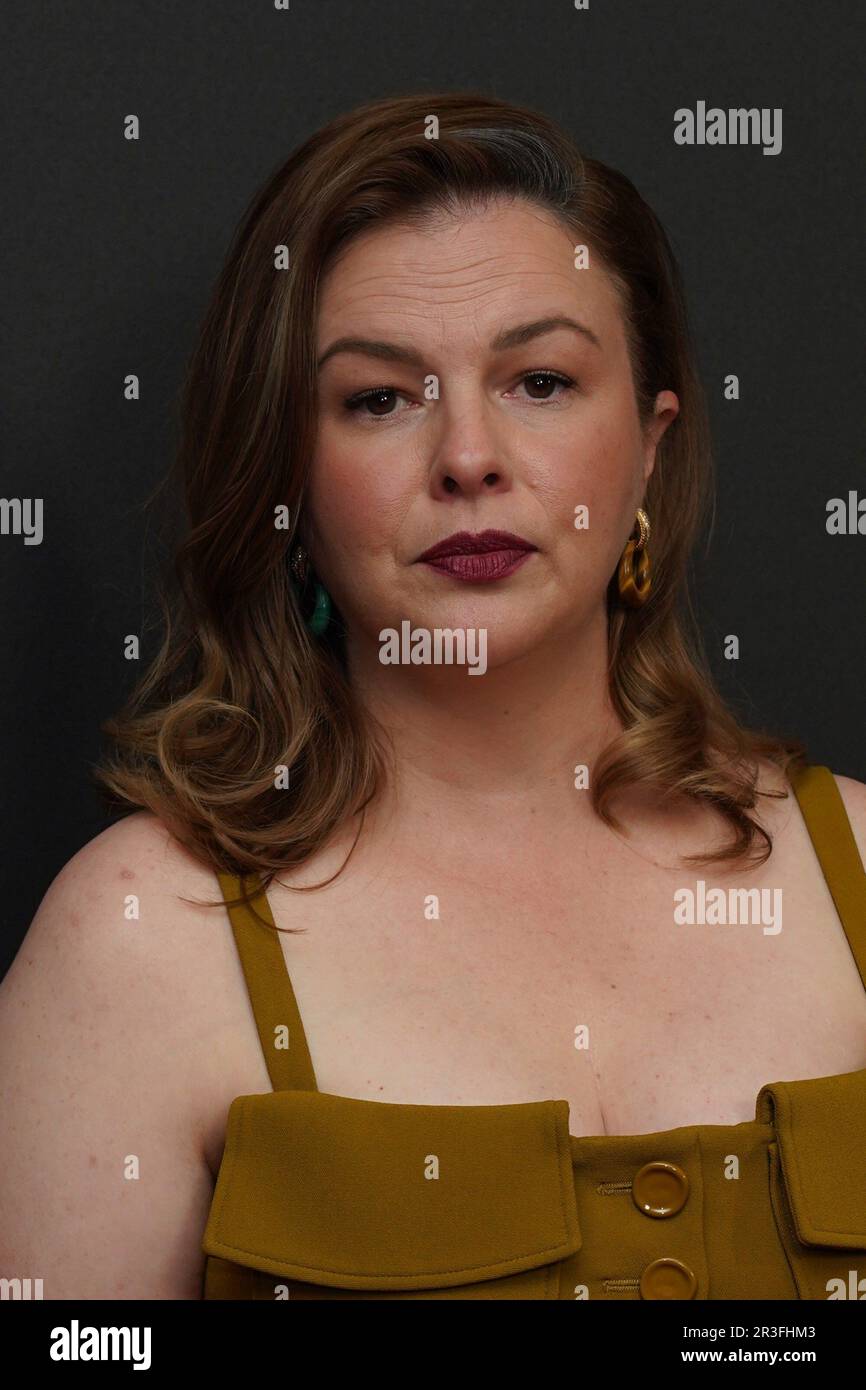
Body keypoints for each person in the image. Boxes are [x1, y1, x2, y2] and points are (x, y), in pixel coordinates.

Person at [2, 91, 865, 1301]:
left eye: (540, 381)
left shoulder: (857, 867)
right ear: (283, 476)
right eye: (378, 398)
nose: (466, 455)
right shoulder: (138, 938)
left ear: (653, 448)